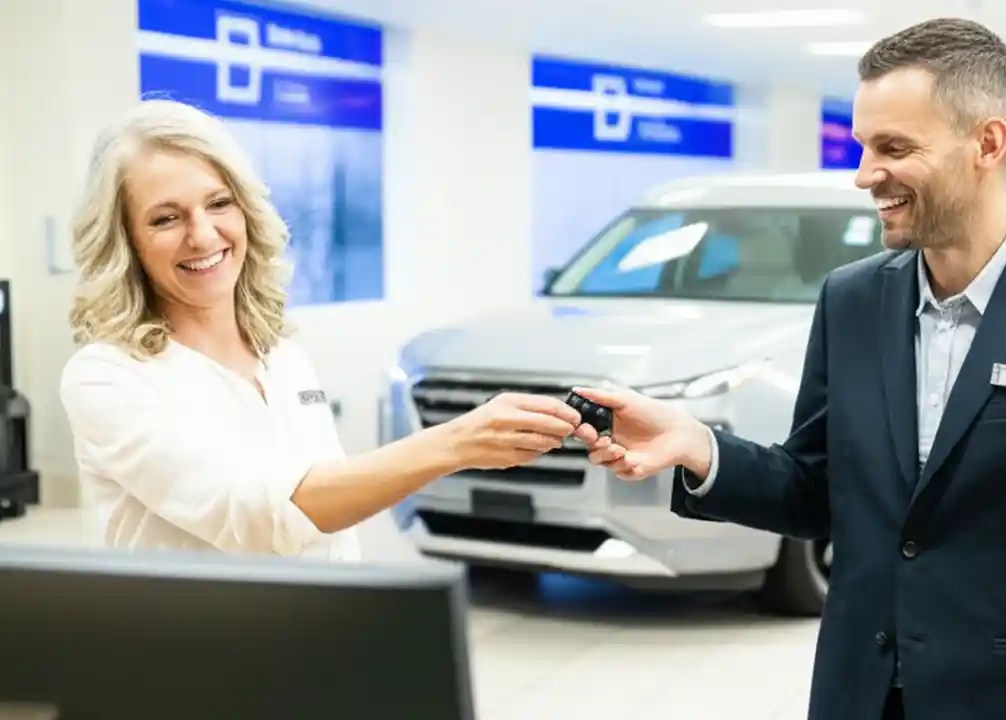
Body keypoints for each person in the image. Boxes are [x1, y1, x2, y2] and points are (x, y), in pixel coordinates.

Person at [576, 17, 1006, 720]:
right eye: (864, 146)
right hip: (860, 697)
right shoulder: (853, 299)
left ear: (989, 142)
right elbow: (815, 488)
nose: (865, 175)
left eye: (894, 147)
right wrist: (698, 446)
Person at [59, 99, 608, 560]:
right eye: (165, 218)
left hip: (311, 651)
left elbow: (331, 521)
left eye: (218, 203)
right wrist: (454, 444)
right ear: (125, 242)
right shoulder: (107, 377)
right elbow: (258, 518)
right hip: (192, 666)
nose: (202, 236)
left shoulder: (281, 353)